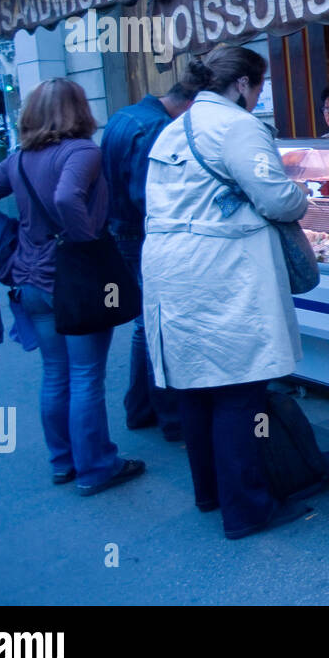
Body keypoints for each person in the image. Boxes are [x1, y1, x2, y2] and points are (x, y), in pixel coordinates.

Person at [142, 45, 314, 539]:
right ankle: (248, 509)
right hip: (220, 270)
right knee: (240, 390)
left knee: (198, 388)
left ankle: (210, 493)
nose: (258, 99)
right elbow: (276, 197)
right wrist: (303, 195)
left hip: (170, 269)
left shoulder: (175, 128)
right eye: (258, 88)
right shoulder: (237, 126)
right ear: (242, 84)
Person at [0, 78, 146, 495]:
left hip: (29, 281)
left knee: (56, 374)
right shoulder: (81, 151)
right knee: (85, 376)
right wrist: (81, 238)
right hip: (73, 279)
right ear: (79, 109)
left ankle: (63, 462)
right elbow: (65, 198)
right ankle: (96, 467)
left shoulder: (19, 159)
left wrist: (11, 235)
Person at [101, 81, 198, 441]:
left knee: (146, 324)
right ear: (188, 105)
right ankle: (170, 415)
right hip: (142, 233)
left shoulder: (123, 116)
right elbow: (148, 193)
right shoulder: (157, 128)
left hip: (120, 228)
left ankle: (139, 408)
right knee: (158, 325)